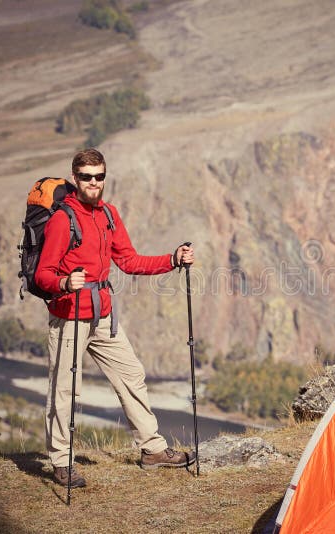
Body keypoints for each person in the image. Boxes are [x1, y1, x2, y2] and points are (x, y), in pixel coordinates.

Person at [35, 148, 195, 488]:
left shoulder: (109, 214)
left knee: (131, 374)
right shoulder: (63, 220)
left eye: (99, 176)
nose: (94, 182)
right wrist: (64, 283)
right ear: (75, 178)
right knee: (65, 390)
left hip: (103, 315)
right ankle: (61, 461)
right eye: (86, 177)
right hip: (69, 317)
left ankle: (152, 450)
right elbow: (42, 274)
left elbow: (129, 261)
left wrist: (172, 259)